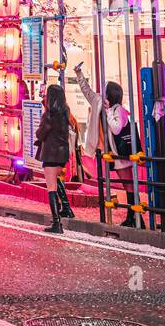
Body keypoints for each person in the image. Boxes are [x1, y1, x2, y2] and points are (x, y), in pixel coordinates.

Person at [74, 61, 143, 227]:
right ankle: (132, 217)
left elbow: (116, 129)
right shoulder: (98, 101)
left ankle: (135, 218)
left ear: (111, 96)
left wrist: (108, 112)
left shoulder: (119, 110)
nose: (101, 94)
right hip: (109, 152)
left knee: (129, 185)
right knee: (126, 184)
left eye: (105, 92)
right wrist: (79, 74)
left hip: (120, 152)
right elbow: (87, 91)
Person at [35, 83, 74, 233]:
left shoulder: (49, 116)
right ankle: (66, 208)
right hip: (62, 155)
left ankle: (57, 223)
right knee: (56, 181)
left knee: (51, 187)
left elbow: (40, 134)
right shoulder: (65, 113)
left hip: (50, 155)